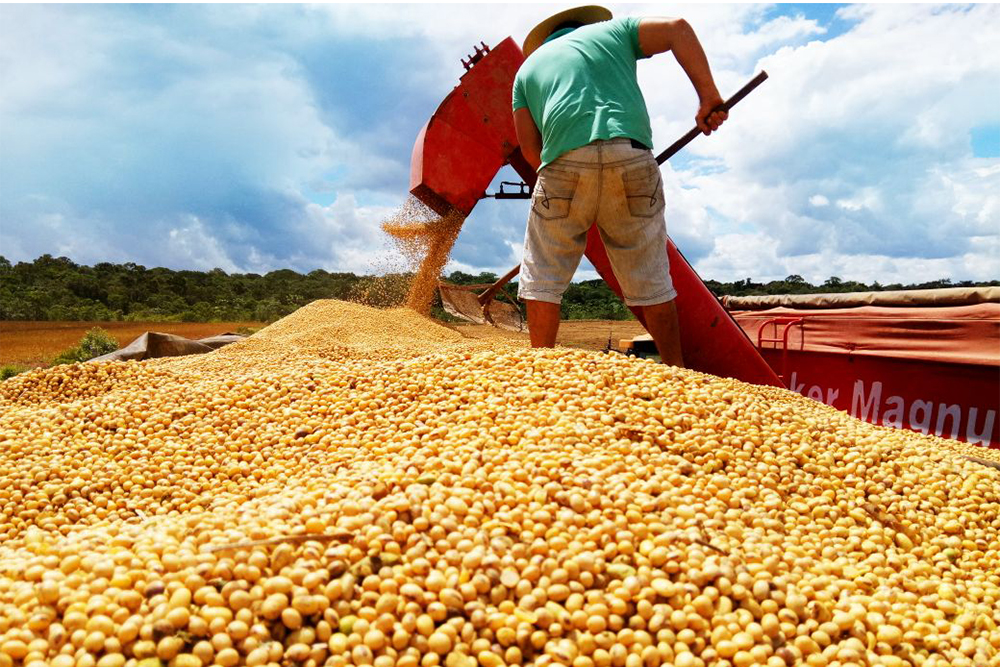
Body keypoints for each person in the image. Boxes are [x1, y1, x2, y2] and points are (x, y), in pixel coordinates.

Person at [512, 5, 728, 366]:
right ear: (587, 25)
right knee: (651, 278)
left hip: (561, 162)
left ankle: (541, 372)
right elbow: (677, 28)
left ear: (545, 40)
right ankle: (677, 372)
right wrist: (708, 96)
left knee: (543, 277)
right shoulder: (615, 32)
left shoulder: (526, 71)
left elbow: (531, 149)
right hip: (630, 154)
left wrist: (564, 183)